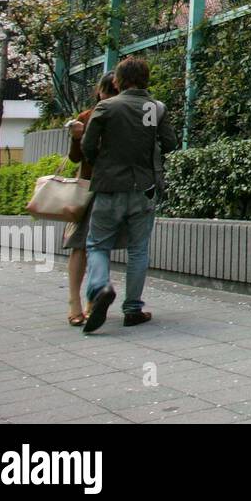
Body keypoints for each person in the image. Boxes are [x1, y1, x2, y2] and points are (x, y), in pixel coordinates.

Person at [80, 56, 177, 333]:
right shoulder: (156, 108)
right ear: (147, 78)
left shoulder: (106, 107)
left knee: (98, 245)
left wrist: (104, 161)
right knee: (138, 250)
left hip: (109, 186)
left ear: (117, 81)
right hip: (143, 188)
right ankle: (132, 309)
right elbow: (170, 143)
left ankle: (100, 287)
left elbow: (88, 146)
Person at [63, 72, 121, 326]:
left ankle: (92, 301)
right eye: (105, 91)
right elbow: (76, 158)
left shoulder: (123, 117)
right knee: (80, 245)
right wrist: (77, 137)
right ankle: (75, 302)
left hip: (111, 187)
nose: (107, 96)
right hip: (88, 188)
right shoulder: (86, 117)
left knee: (99, 246)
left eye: (112, 91)